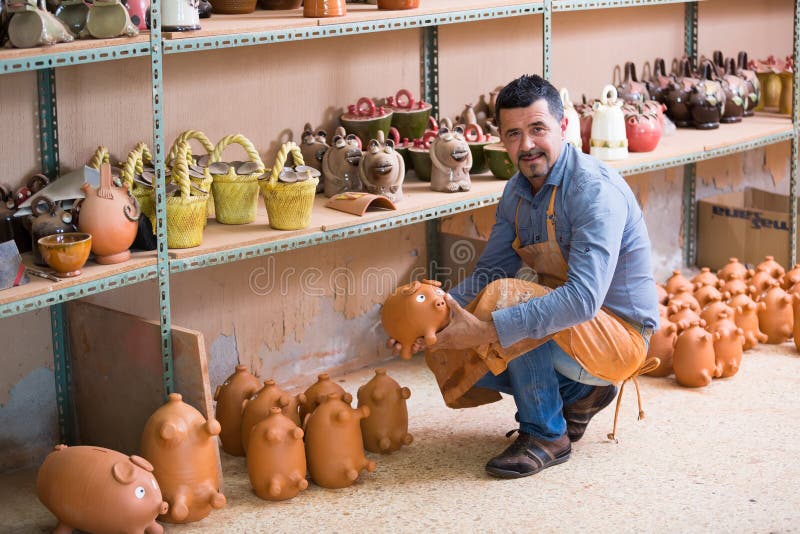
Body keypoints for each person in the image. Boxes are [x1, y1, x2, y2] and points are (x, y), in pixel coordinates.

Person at [389, 74, 659, 479]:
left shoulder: (592, 191)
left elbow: (583, 300)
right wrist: (436, 320)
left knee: (507, 304)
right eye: (514, 134)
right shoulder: (517, 191)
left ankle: (546, 434)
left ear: (563, 127)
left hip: (619, 335)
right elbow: (490, 271)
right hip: (572, 332)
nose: (527, 145)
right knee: (466, 326)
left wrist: (484, 331)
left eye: (538, 129)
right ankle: (580, 395)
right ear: (501, 138)